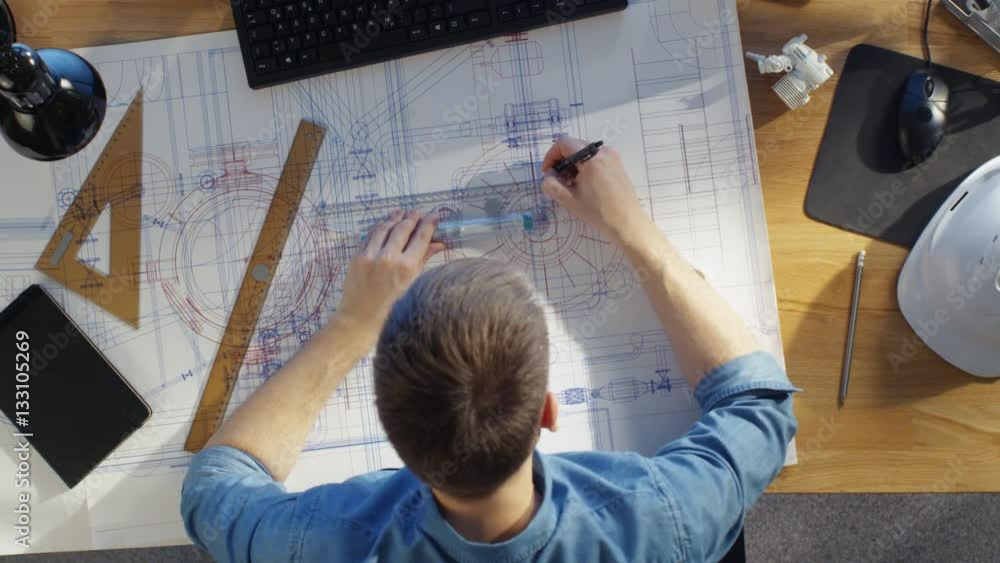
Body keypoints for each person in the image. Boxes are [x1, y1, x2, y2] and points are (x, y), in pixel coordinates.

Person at [181, 137, 799, 563]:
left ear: (394, 436)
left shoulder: (327, 543)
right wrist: (635, 233)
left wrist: (351, 325)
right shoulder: (663, 521)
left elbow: (213, 489)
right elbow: (759, 409)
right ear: (547, 414)